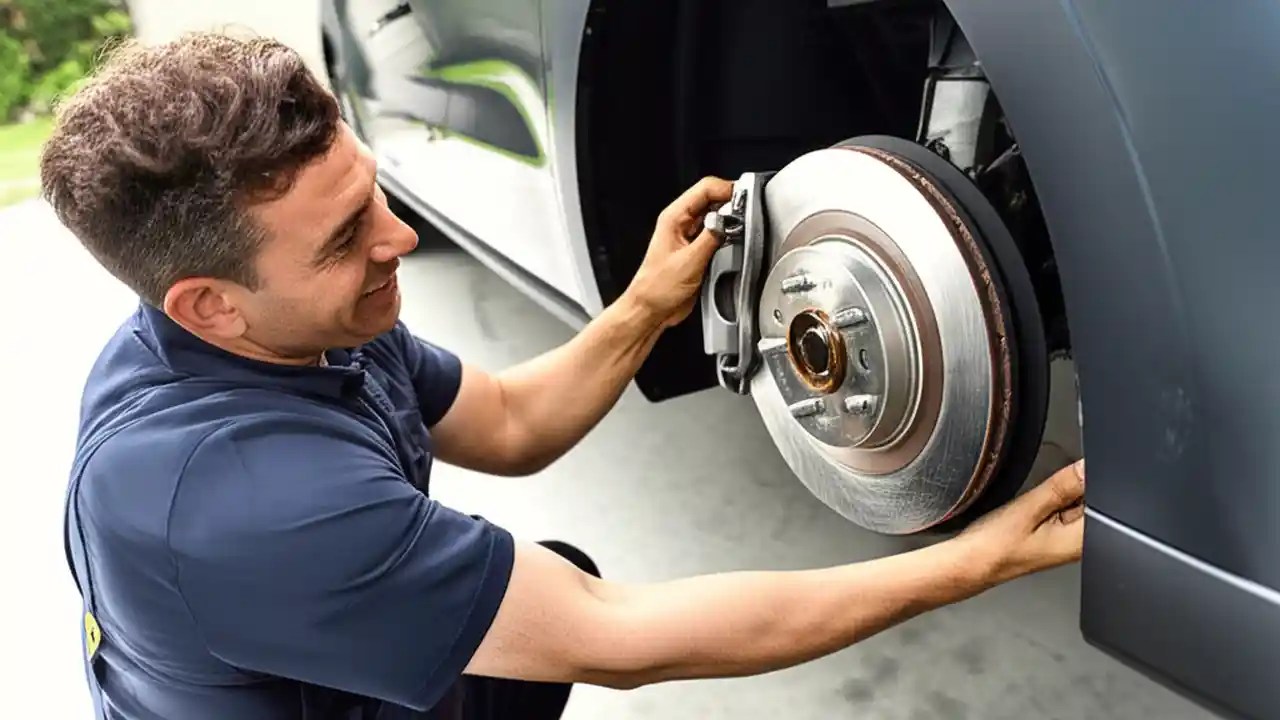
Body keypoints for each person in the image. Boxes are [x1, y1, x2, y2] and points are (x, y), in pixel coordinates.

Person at [43, 32, 1086, 720]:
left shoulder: (274, 328)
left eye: (371, 195)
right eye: (345, 239)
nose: (398, 237)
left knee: (549, 579)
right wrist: (970, 561)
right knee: (557, 618)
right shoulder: (246, 505)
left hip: (320, 659)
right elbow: (621, 641)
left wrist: (646, 304)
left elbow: (503, 423)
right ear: (206, 302)